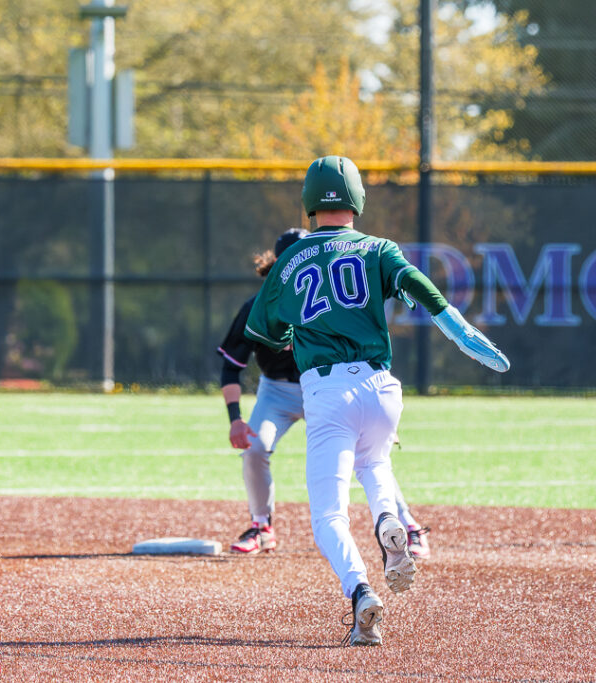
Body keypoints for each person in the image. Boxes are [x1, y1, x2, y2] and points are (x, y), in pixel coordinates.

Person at [244, 156, 508, 646]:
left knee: (328, 517)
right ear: (357, 199)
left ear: (308, 202)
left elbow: (263, 331)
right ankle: (389, 519)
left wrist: (298, 329)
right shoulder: (378, 248)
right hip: (381, 385)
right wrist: (456, 327)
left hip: (325, 390)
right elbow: (418, 286)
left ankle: (361, 591)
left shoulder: (290, 261)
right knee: (376, 462)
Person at [217, 228, 433, 559]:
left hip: (331, 387)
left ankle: (409, 526)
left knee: (370, 456)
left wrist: (375, 411)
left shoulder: (333, 302)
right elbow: (231, 366)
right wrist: (236, 420)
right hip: (277, 391)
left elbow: (361, 357)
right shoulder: (259, 306)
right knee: (256, 448)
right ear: (279, 266)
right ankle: (262, 527)